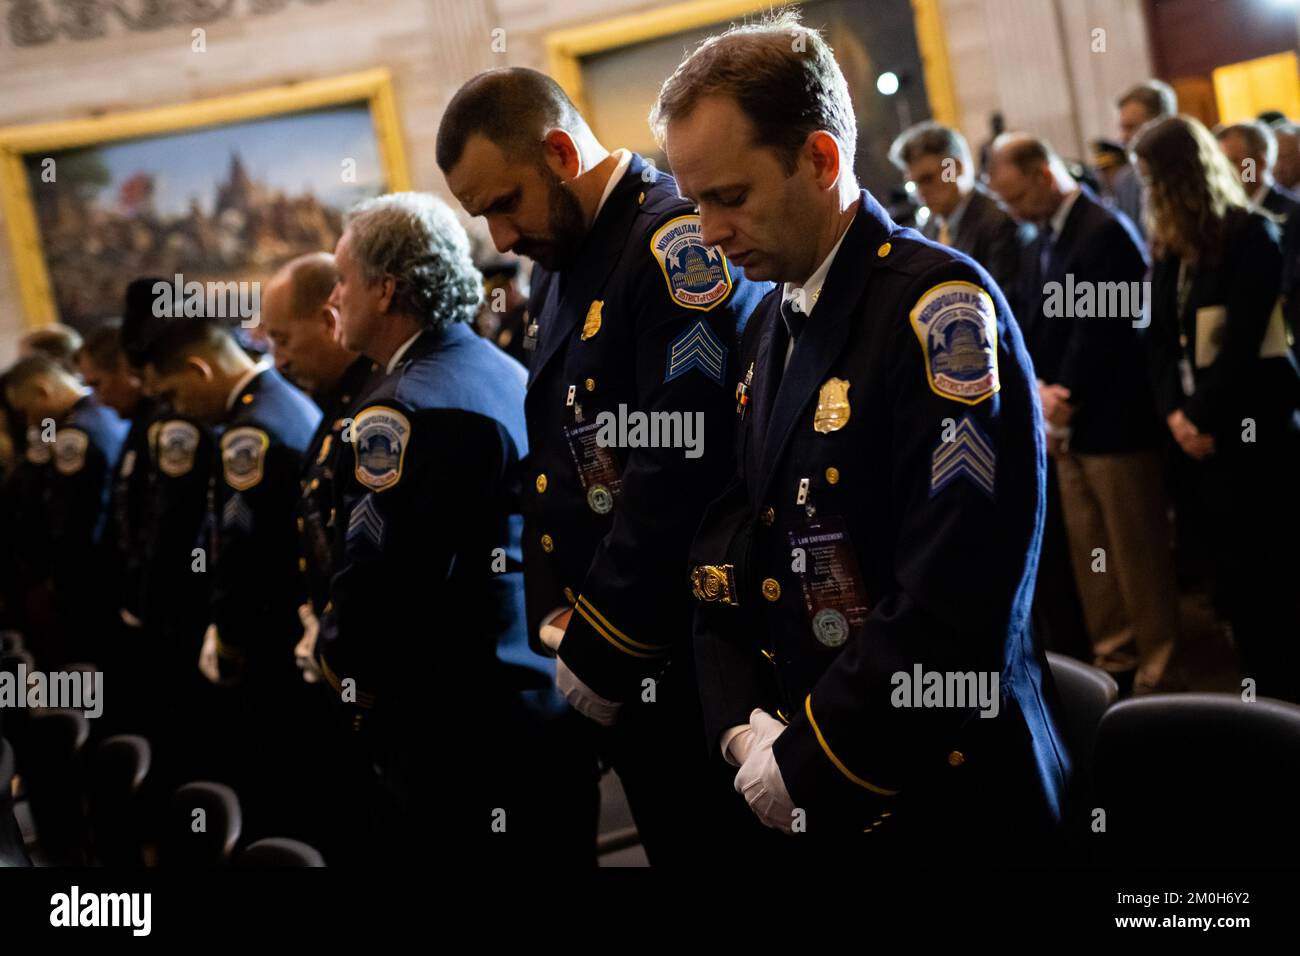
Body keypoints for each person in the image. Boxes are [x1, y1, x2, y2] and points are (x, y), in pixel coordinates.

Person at [654, 10, 1069, 858]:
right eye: (694, 201)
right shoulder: (770, 320)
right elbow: (734, 536)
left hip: (944, 796)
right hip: (827, 773)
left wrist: (812, 758)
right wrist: (740, 724)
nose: (707, 232)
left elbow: (955, 593)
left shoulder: (936, 312)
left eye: (729, 197)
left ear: (820, 159)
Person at [438, 66, 773, 863]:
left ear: (558, 151)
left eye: (503, 203)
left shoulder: (671, 245)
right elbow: (555, 457)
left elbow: (678, 466)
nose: (502, 238)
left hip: (689, 653)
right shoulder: (563, 262)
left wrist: (601, 641)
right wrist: (555, 611)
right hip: (623, 650)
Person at [321, 192, 595, 864]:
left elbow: (382, 582)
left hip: (462, 731)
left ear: (385, 292)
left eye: (342, 280)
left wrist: (332, 655)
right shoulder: (494, 368)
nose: (335, 297)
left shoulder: (404, 408)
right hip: (533, 703)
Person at [988, 134, 1180, 696]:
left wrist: (1064, 389)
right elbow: (1038, 321)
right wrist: (1043, 390)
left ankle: (1162, 669)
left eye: (1017, 195)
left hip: (1115, 421)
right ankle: (1114, 660)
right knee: (1092, 553)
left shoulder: (1103, 230)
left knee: (1135, 552)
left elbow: (1110, 329)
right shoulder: (1041, 237)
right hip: (1066, 421)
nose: (1012, 210)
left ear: (1044, 173)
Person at [1137, 115, 1300, 703]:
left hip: (1254, 435)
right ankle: (1259, 701)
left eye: (1153, 180)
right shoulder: (1172, 250)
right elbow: (1155, 341)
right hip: (1198, 439)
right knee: (1232, 588)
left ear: (1180, 177)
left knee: (1274, 582)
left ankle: (1285, 704)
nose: (1147, 194)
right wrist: (1176, 416)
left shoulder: (1251, 235)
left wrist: (1201, 414)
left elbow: (1243, 345)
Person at [141, 317, 323, 840]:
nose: (176, 410)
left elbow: (245, 550)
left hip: (272, 635)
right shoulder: (278, 399)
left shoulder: (250, 428)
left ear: (200, 369)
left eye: (174, 394)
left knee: (275, 788)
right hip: (293, 624)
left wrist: (229, 635)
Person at [260, 251, 378, 862]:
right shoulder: (339, 404)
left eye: (282, 337)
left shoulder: (379, 404)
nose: (276, 359)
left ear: (330, 317)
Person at [3, 355, 127, 673]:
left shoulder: (75, 434)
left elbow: (74, 521)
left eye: (26, 410)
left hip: (88, 581)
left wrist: (57, 583)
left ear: (43, 391)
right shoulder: (99, 414)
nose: (29, 422)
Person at [889, 120, 1030, 292]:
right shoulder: (927, 229)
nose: (921, 192)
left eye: (927, 179)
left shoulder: (999, 222)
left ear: (955, 167)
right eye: (915, 183)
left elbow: (1004, 302)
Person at [1110, 80, 1178, 235]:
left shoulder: (1188, 174)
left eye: (1131, 127)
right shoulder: (1125, 181)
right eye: (1122, 127)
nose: (1123, 137)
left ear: (1161, 123)